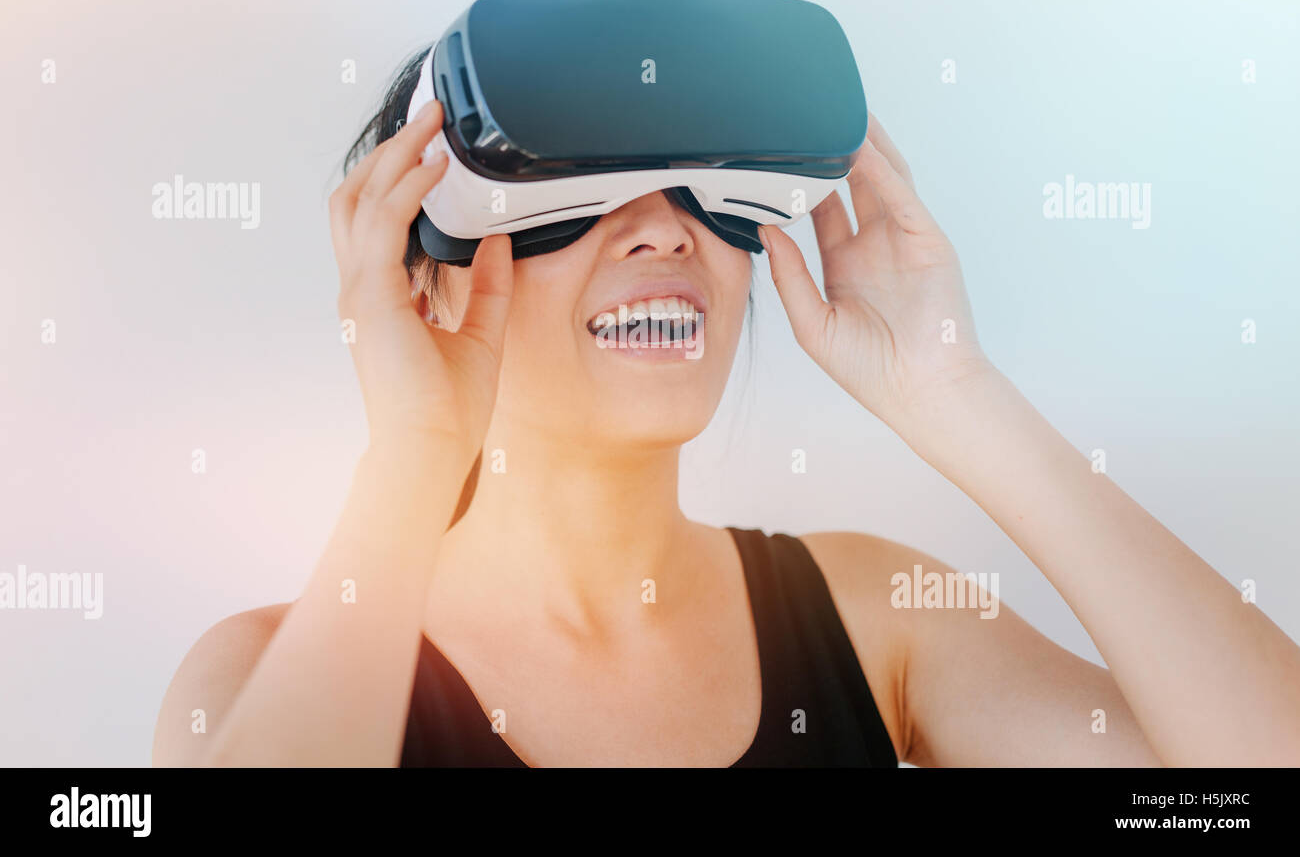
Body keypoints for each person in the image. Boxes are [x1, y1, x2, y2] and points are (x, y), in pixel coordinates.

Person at [152, 49, 1300, 767]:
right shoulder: (255, 673)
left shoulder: (869, 617)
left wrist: (955, 391)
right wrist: (413, 451)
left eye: (704, 187)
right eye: (566, 185)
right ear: (424, 274)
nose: (664, 229)